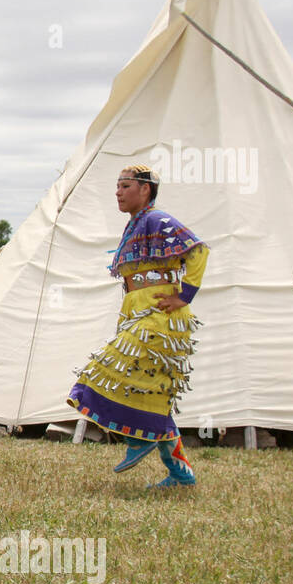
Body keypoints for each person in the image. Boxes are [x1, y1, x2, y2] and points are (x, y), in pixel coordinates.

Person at [67, 166, 208, 488]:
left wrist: (184, 296)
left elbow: (199, 251)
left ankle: (139, 439)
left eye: (125, 186)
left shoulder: (158, 220)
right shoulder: (136, 224)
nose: (118, 192)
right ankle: (179, 472)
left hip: (159, 313)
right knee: (149, 392)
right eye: (116, 186)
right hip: (139, 308)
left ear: (145, 189)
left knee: (104, 374)